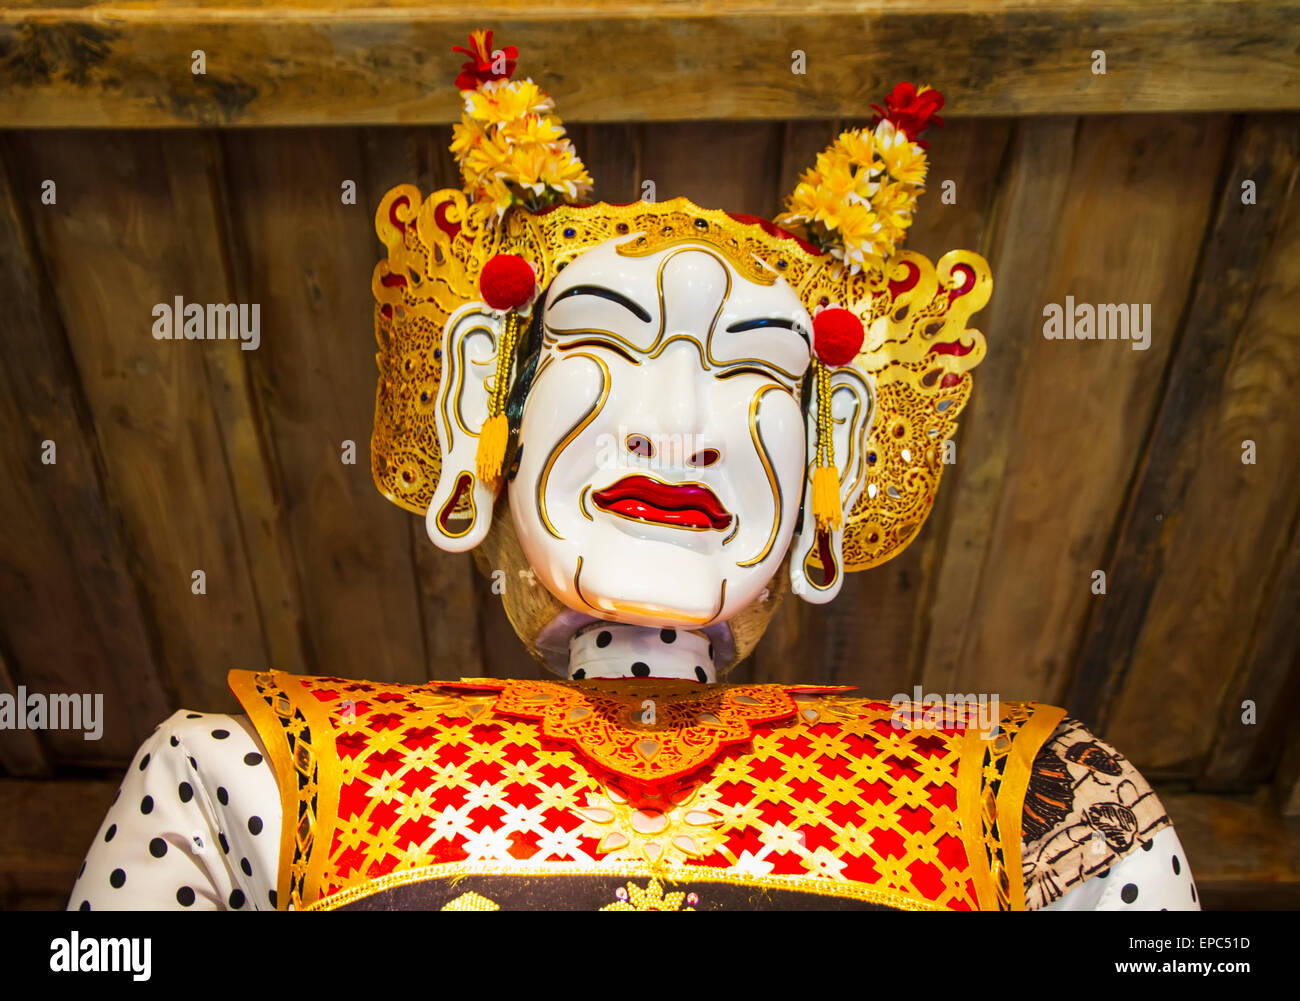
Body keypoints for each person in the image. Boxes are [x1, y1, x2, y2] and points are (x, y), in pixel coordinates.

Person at [69, 30, 1198, 912]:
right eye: (605, 345)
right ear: (480, 397)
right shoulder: (244, 777)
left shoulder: (1042, 800)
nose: (679, 432)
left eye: (753, 370)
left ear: (834, 453)